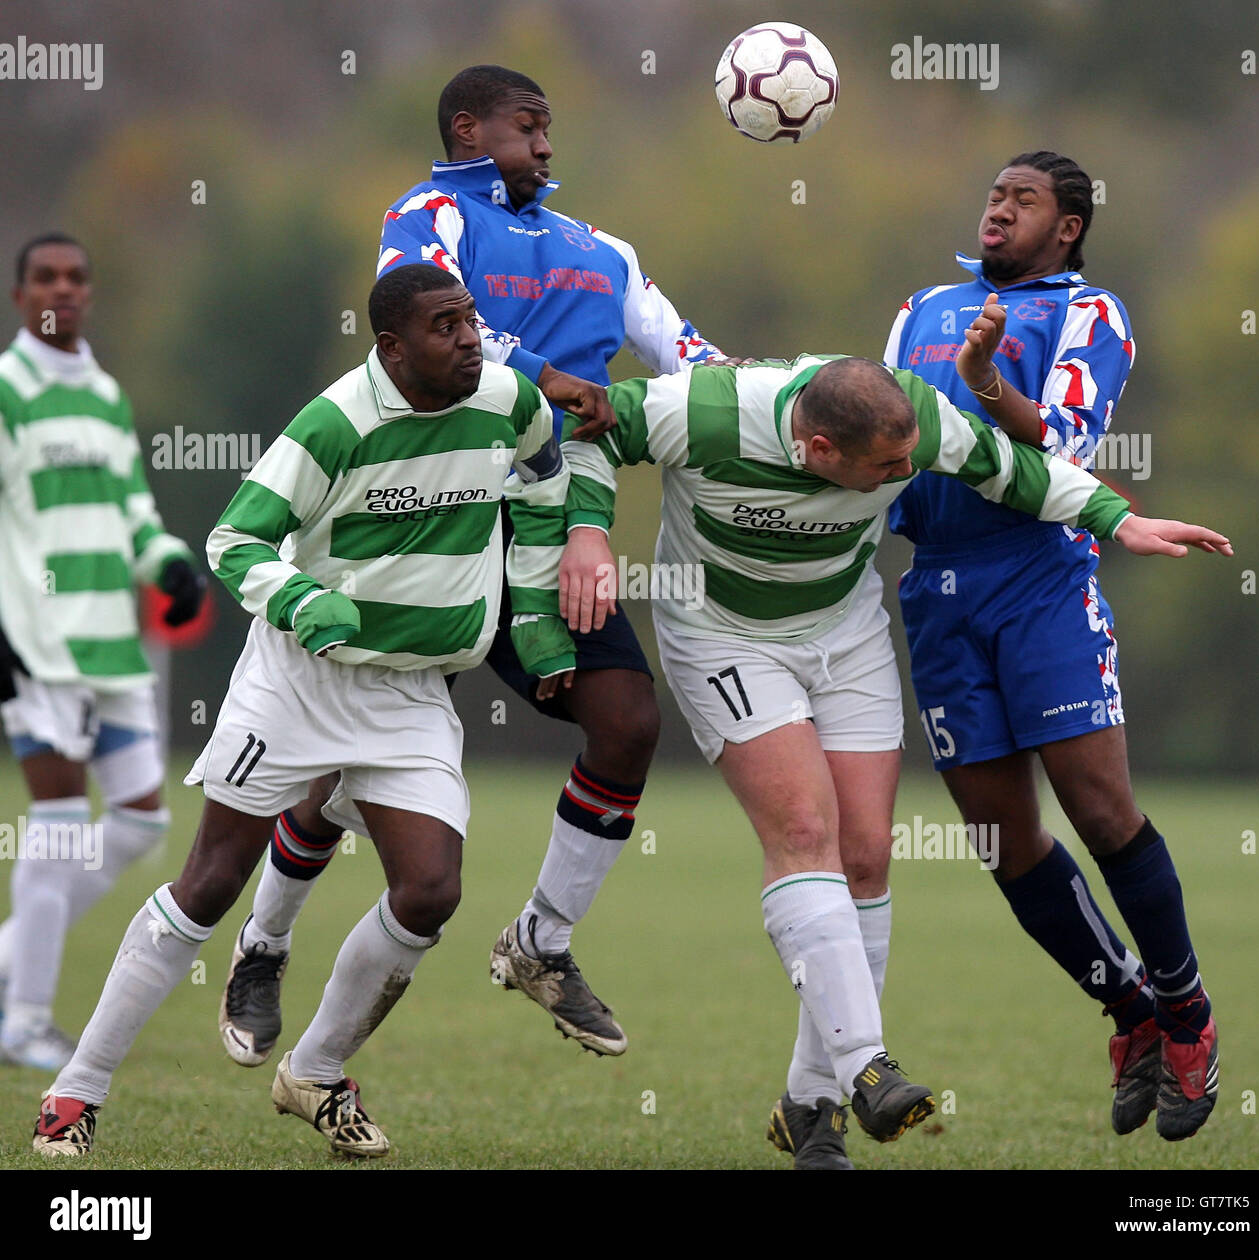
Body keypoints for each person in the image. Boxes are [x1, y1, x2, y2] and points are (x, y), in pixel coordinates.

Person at [558, 352, 1230, 1168]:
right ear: (818, 450)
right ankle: (864, 1068)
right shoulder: (705, 408)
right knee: (804, 831)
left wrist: (1119, 520)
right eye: (885, 468)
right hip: (723, 635)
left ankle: (810, 1108)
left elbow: (1011, 469)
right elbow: (595, 425)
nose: (907, 476)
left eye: (909, 457)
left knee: (867, 854)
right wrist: (589, 532)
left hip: (845, 633)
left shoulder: (912, 417)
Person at [218, 64, 725, 1068]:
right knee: (336, 769)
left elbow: (691, 357)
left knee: (627, 722)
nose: (545, 145)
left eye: (548, 127)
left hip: (548, 524)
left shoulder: (605, 251)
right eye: (526, 127)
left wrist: (772, 402)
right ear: (466, 128)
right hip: (427, 520)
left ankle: (541, 942)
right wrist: (552, 378)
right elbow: (450, 336)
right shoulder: (429, 214)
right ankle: (263, 944)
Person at [31, 264, 574, 1157]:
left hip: (411, 691)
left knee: (431, 891)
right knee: (210, 881)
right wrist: (300, 599)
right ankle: (75, 1092)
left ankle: (315, 1071)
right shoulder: (335, 422)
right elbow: (234, 538)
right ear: (392, 348)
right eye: (445, 327)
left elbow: (547, 472)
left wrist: (537, 612)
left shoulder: (508, 400)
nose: (470, 340)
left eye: (471, 320)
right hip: (299, 681)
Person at [883, 152, 1219, 1141]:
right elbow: (884, 434)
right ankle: (1132, 1014)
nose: (998, 209)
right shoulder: (921, 307)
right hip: (935, 588)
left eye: (1022, 200)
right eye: (994, 194)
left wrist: (984, 380)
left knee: (1101, 810)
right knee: (1000, 839)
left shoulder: (1089, 312)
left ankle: (1189, 1016)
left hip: (1038, 579)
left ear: (1067, 226)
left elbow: (1062, 450)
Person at [0, 233, 205, 1071]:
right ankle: (23, 1020)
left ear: (89, 292)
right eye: (46, 277)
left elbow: (133, 512)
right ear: (20, 296)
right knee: (57, 825)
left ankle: (10, 963)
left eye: (77, 277)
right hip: (37, 644)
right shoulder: (7, 390)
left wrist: (170, 565)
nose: (63, 289)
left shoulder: (106, 395)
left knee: (140, 822)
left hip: (113, 646)